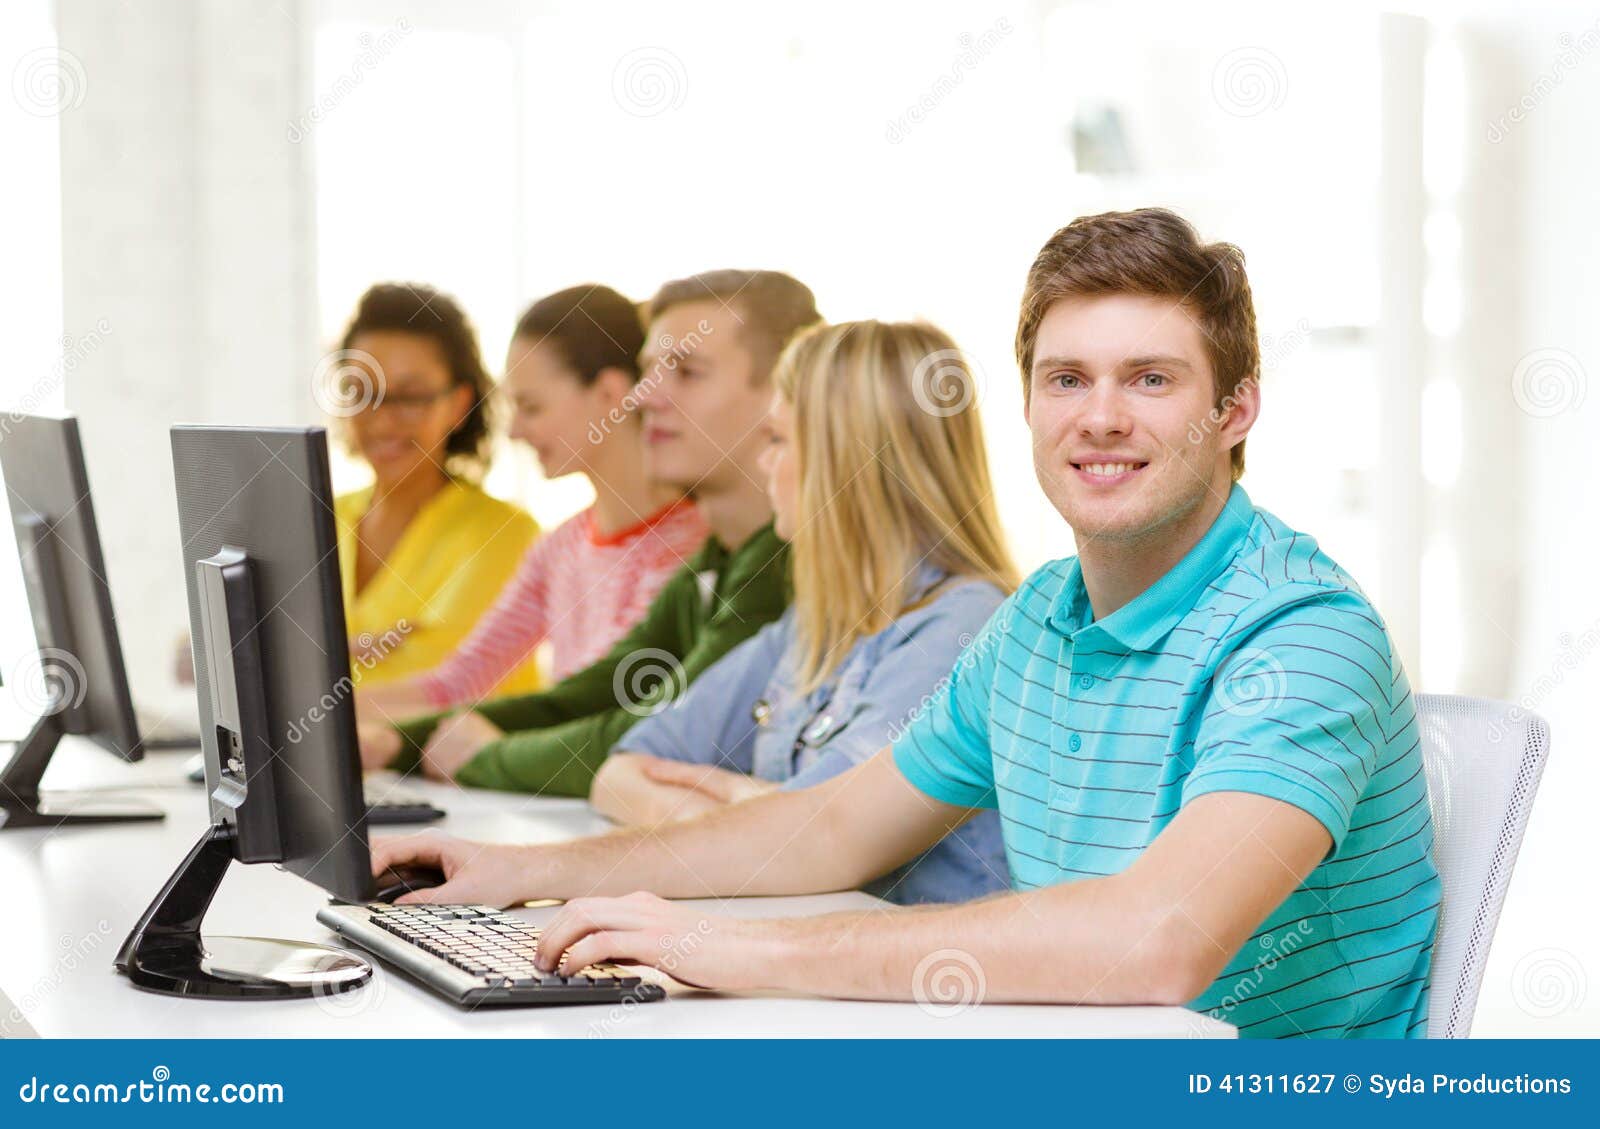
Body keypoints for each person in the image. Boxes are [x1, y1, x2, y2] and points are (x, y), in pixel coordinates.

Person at [374, 209, 1443, 1039]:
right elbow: (834, 826)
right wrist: (513, 874)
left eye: (1151, 380)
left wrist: (725, 947)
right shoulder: (1040, 618)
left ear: (1235, 409)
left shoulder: (1302, 634)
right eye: (1066, 377)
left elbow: (1153, 937)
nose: (1101, 415)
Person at [592, 320, 1018, 905]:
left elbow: (820, 834)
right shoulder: (814, 625)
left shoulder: (963, 627)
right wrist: (747, 811)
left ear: (843, 461)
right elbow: (619, 771)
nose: (763, 463)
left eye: (776, 439)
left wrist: (750, 812)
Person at [360, 270, 821, 793]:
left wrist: (482, 757)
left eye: (688, 372)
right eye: (649, 372)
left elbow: (644, 737)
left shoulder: (780, 561)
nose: (646, 397)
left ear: (783, 394)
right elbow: (587, 696)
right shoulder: (715, 559)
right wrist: (400, 743)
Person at [357, 285, 706, 722]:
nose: (515, 431)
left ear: (610, 394)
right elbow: (456, 683)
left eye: (531, 406)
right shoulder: (559, 548)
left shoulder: (688, 549)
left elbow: (595, 713)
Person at [331, 282, 537, 690]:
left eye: (410, 397)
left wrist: (311, 655)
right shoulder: (315, 518)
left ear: (458, 406)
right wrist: (352, 650)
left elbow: (435, 686)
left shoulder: (505, 533)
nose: (382, 419)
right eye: (361, 392)